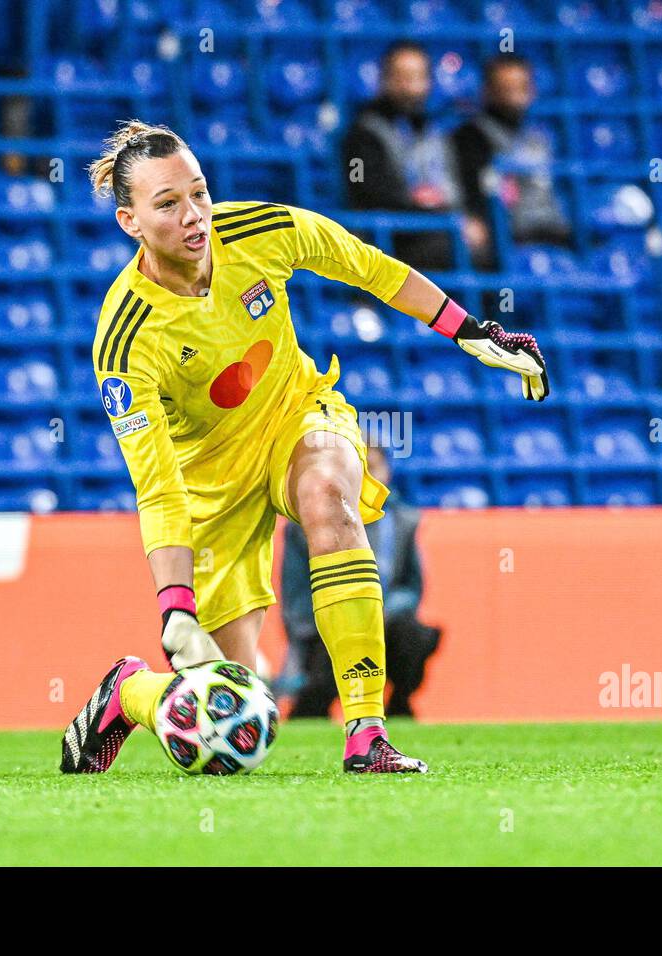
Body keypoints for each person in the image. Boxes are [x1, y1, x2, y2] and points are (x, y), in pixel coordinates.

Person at [60, 121, 547, 775]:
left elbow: (369, 267)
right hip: (211, 479)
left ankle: (366, 733)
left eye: (199, 193)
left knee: (328, 493)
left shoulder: (258, 232)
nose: (194, 216)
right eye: (167, 204)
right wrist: (174, 609)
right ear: (130, 222)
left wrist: (467, 330)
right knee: (232, 711)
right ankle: (131, 692)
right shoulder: (126, 337)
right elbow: (158, 484)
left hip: (297, 415)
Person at [281, 446, 440, 718]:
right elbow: (295, 592)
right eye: (358, 467)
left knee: (413, 634)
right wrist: (331, 619)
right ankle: (311, 705)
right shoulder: (303, 524)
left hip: (386, 621)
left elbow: (411, 587)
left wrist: (378, 613)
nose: (366, 475)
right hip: (326, 625)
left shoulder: (404, 521)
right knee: (319, 682)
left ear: (388, 472)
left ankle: (399, 705)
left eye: (374, 467)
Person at [340, 41, 487, 271]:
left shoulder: (443, 131)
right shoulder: (363, 134)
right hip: (397, 238)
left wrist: (472, 218)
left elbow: (468, 188)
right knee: (454, 253)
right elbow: (369, 194)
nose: (410, 87)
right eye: (402, 76)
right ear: (384, 80)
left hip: (450, 229)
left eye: (418, 76)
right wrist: (436, 215)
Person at [452, 53, 572, 259]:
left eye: (521, 88)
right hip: (506, 236)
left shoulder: (540, 137)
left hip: (552, 232)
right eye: (506, 89)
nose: (514, 98)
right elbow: (474, 194)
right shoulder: (470, 137)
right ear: (488, 91)